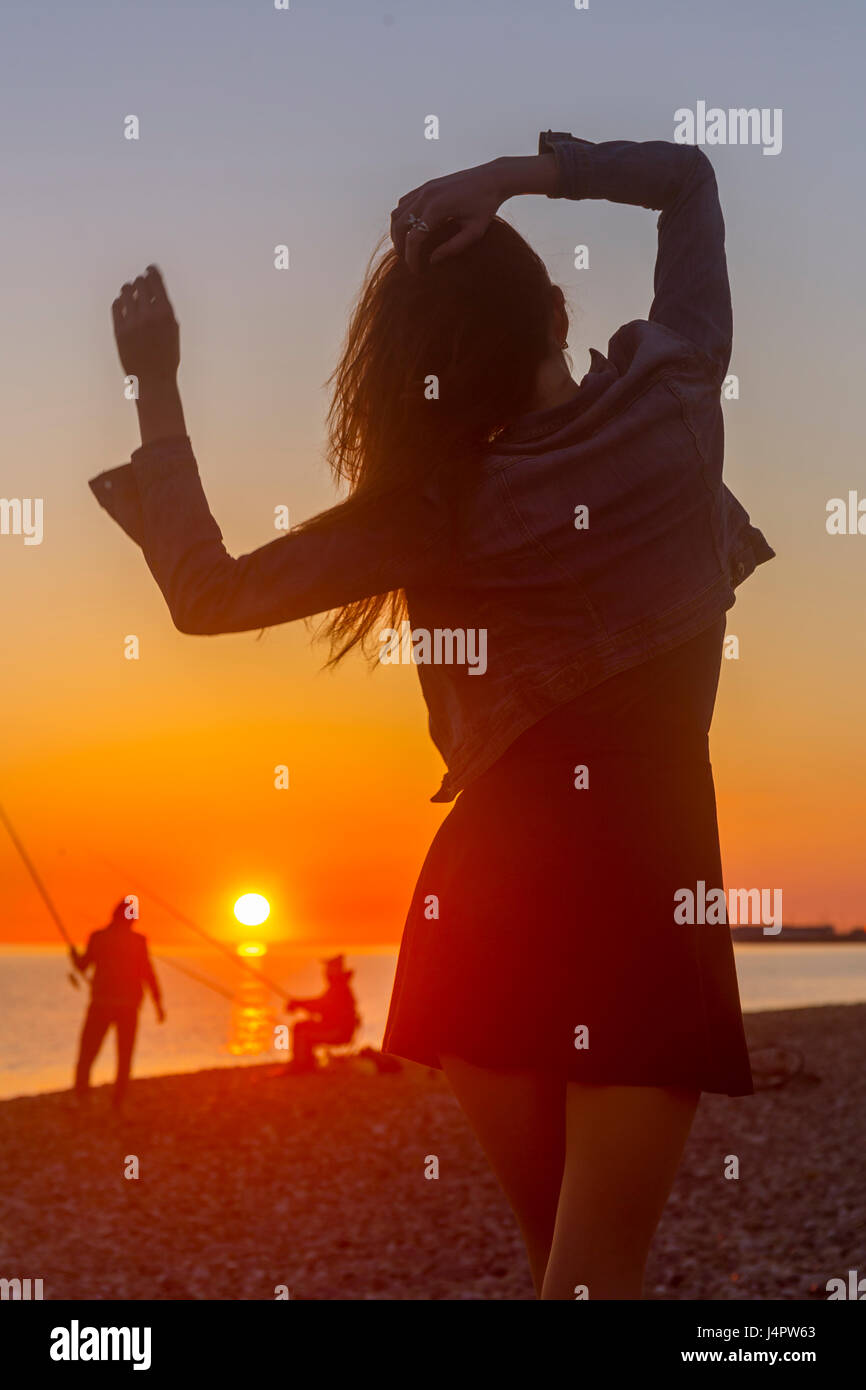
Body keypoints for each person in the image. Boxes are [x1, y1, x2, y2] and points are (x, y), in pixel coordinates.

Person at [89, 128, 773, 1298]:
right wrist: (515, 175)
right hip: (644, 894)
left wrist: (154, 381)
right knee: (593, 1277)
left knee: (560, 1268)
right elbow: (689, 181)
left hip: (485, 903)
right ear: (557, 309)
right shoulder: (674, 393)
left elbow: (208, 594)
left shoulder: (433, 506)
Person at [71, 899, 165, 1108]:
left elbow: (83, 965)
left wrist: (75, 958)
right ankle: (118, 1102)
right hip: (127, 1007)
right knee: (124, 1056)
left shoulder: (99, 937)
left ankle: (82, 1097)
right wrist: (158, 1004)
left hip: (102, 1005)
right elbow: (148, 974)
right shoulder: (138, 941)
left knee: (87, 1053)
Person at [283, 955, 360, 1074]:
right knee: (302, 1026)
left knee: (301, 1031)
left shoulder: (339, 988)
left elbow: (321, 1005)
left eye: (329, 968)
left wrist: (298, 1004)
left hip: (338, 1032)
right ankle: (305, 1064)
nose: (325, 972)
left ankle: (301, 1066)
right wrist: (300, 1004)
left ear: (336, 969)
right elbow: (322, 1005)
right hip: (336, 1028)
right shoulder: (338, 986)